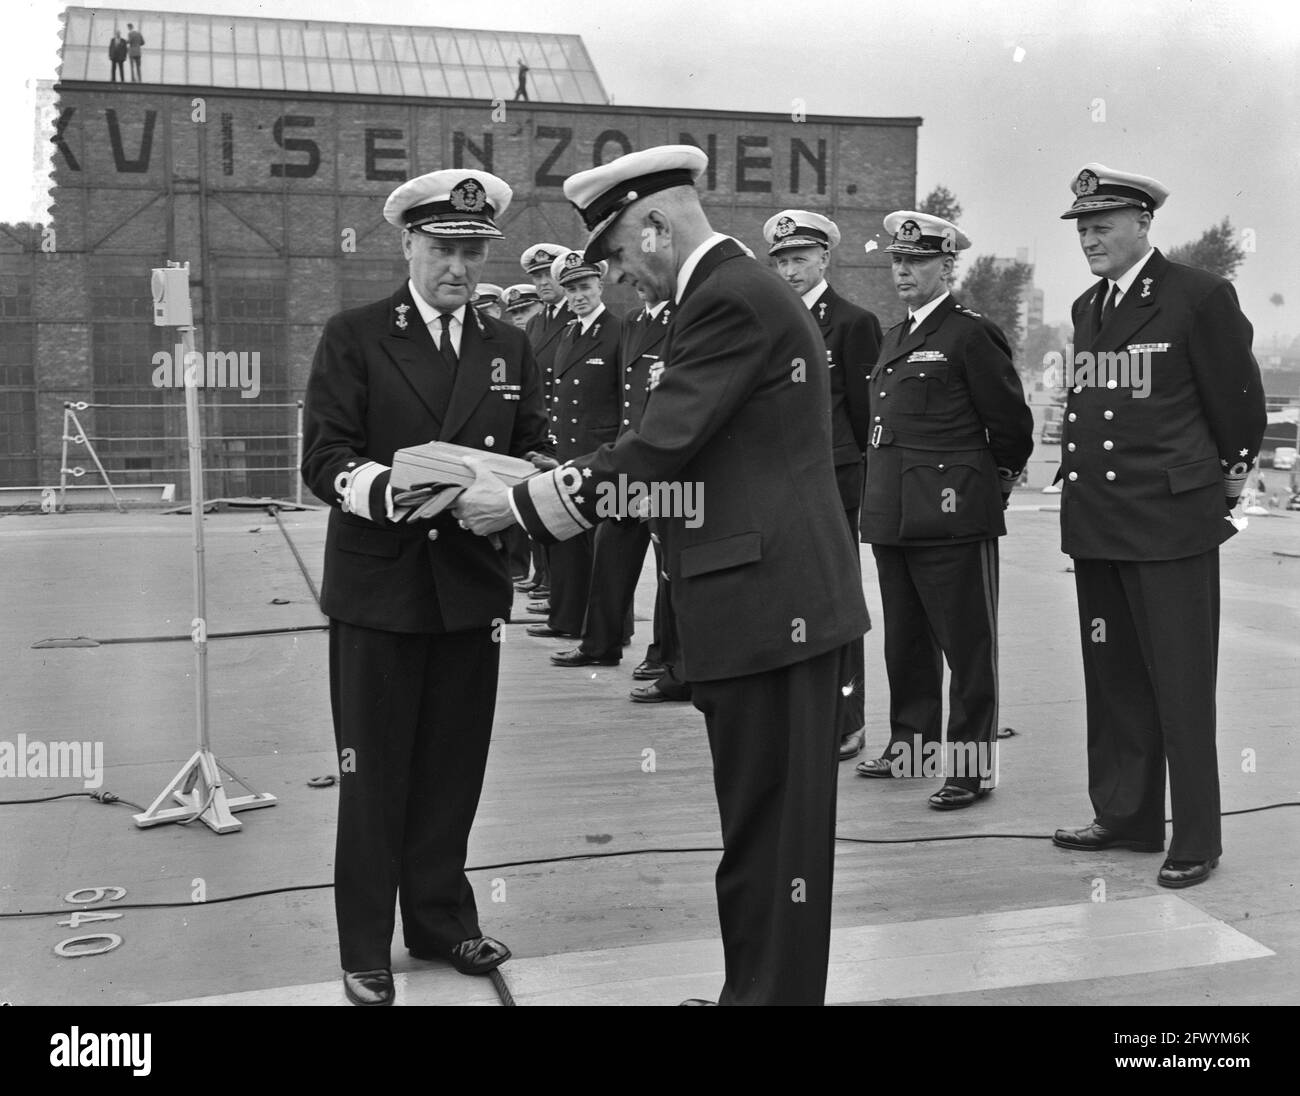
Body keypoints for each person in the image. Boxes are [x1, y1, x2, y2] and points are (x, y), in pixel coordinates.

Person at [453, 145, 870, 1005]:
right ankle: (752, 993)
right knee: (758, 834)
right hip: (754, 607)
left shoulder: (728, 300)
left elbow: (660, 444)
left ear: (654, 224)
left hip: (773, 610)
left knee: (776, 842)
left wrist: (525, 504)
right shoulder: (724, 294)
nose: (614, 278)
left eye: (613, 255)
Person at [301, 169, 550, 1006]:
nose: (459, 267)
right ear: (408, 243)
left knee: (453, 768)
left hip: (470, 588)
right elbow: (324, 459)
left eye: (472, 251)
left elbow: (533, 442)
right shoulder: (357, 335)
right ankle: (365, 944)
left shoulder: (506, 345)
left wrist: (539, 482)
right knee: (374, 772)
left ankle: (441, 922)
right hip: (382, 589)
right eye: (444, 248)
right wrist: (394, 493)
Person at [1051, 163, 1266, 889]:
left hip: (1169, 524)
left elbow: (1237, 404)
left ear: (1144, 223)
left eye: (1102, 224)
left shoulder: (1197, 296)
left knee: (1179, 683)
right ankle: (1127, 815)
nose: (1090, 238)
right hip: (1100, 525)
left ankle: (1196, 838)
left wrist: (1226, 482)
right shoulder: (1089, 308)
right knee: (1113, 681)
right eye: (1082, 227)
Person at [855, 211, 1034, 811]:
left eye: (919, 261)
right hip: (892, 513)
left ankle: (970, 766)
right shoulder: (893, 336)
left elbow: (1011, 426)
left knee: (967, 645)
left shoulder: (969, 333)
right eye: (898, 261)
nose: (904, 271)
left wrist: (993, 488)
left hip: (953, 516)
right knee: (904, 641)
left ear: (946, 266)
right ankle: (913, 747)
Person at [764, 208, 882, 759]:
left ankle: (847, 717)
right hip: (779, 481)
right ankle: (803, 715)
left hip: (835, 481)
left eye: (800, 259)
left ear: (824, 259)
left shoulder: (853, 323)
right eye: (782, 261)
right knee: (788, 596)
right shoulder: (768, 321)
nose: (790, 271)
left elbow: (865, 417)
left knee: (837, 600)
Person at [550, 285, 674, 671]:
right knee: (611, 548)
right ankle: (600, 643)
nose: (639, 283)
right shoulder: (635, 321)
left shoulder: (685, 318)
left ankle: (666, 657)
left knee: (669, 558)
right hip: (631, 454)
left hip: (671, 462)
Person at [524, 250, 624, 642]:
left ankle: (603, 631)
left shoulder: (619, 330)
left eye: (585, 287)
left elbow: (624, 397)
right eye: (571, 290)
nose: (578, 296)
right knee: (567, 538)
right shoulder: (569, 332)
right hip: (566, 450)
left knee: (603, 549)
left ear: (600, 285)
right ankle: (567, 621)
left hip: (600, 450)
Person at [515, 242, 572, 601]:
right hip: (542, 428)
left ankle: (559, 587)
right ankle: (545, 577)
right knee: (540, 504)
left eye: (547, 273)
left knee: (565, 513)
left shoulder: (577, 317)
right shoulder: (536, 323)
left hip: (569, 426)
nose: (542, 282)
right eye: (536, 276)